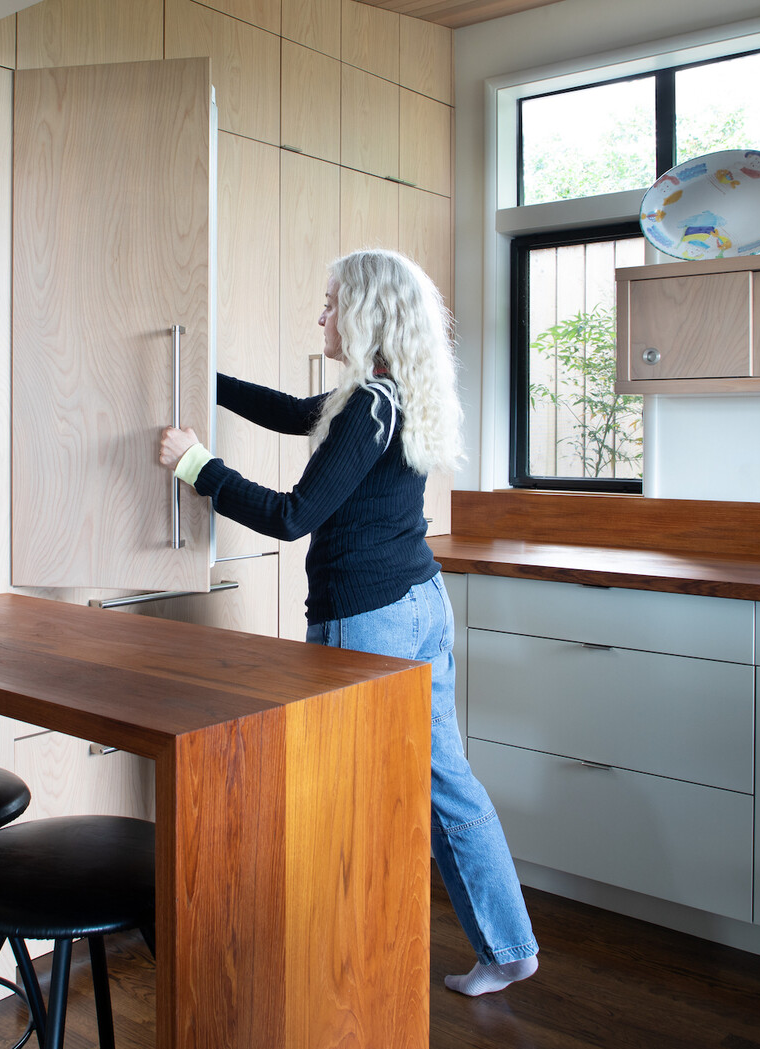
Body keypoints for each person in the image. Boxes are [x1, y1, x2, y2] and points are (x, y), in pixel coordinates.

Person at [157, 248, 539, 996]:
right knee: (445, 781)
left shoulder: (368, 406)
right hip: (419, 605)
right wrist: (206, 378)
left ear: (365, 314)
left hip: (369, 621)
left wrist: (196, 465)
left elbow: (292, 516)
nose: (321, 316)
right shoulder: (384, 395)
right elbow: (296, 413)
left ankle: (343, 966)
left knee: (351, 795)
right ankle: (509, 945)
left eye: (331, 304)